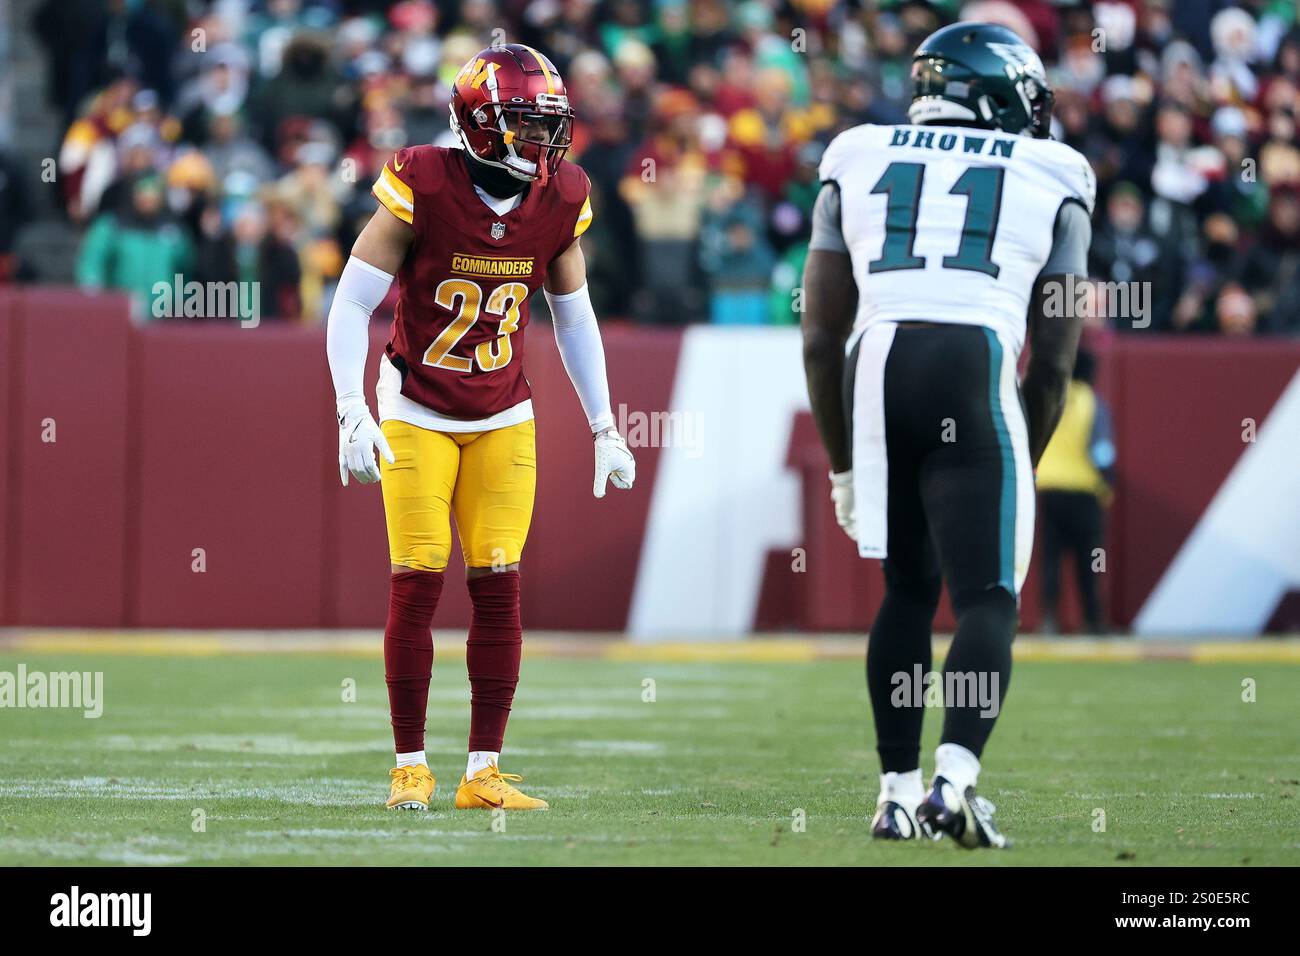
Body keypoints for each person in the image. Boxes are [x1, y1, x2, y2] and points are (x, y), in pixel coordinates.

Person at [801, 22, 1093, 848]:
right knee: (989, 595)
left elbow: (821, 338)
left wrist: (845, 466)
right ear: (996, 93)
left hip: (878, 358)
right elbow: (1055, 363)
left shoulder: (855, 154)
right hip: (974, 358)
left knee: (905, 590)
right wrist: (1019, 466)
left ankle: (894, 793)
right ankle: (953, 783)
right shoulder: (1054, 172)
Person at [325, 44, 636, 813]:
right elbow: (350, 303)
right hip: (416, 405)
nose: (545, 145)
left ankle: (482, 772)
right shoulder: (425, 180)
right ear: (479, 123)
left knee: (499, 581)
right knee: (418, 576)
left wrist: (605, 424)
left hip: (504, 412)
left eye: (550, 127)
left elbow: (574, 317)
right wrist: (350, 406)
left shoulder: (562, 195)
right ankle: (409, 767)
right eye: (526, 125)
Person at [1036, 349, 1115, 635]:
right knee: (1089, 560)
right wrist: (1109, 483)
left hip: (1049, 488)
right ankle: (1092, 621)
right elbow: (1102, 452)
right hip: (1084, 490)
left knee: (1051, 558)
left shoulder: (1050, 398)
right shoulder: (1094, 404)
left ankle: (1048, 619)